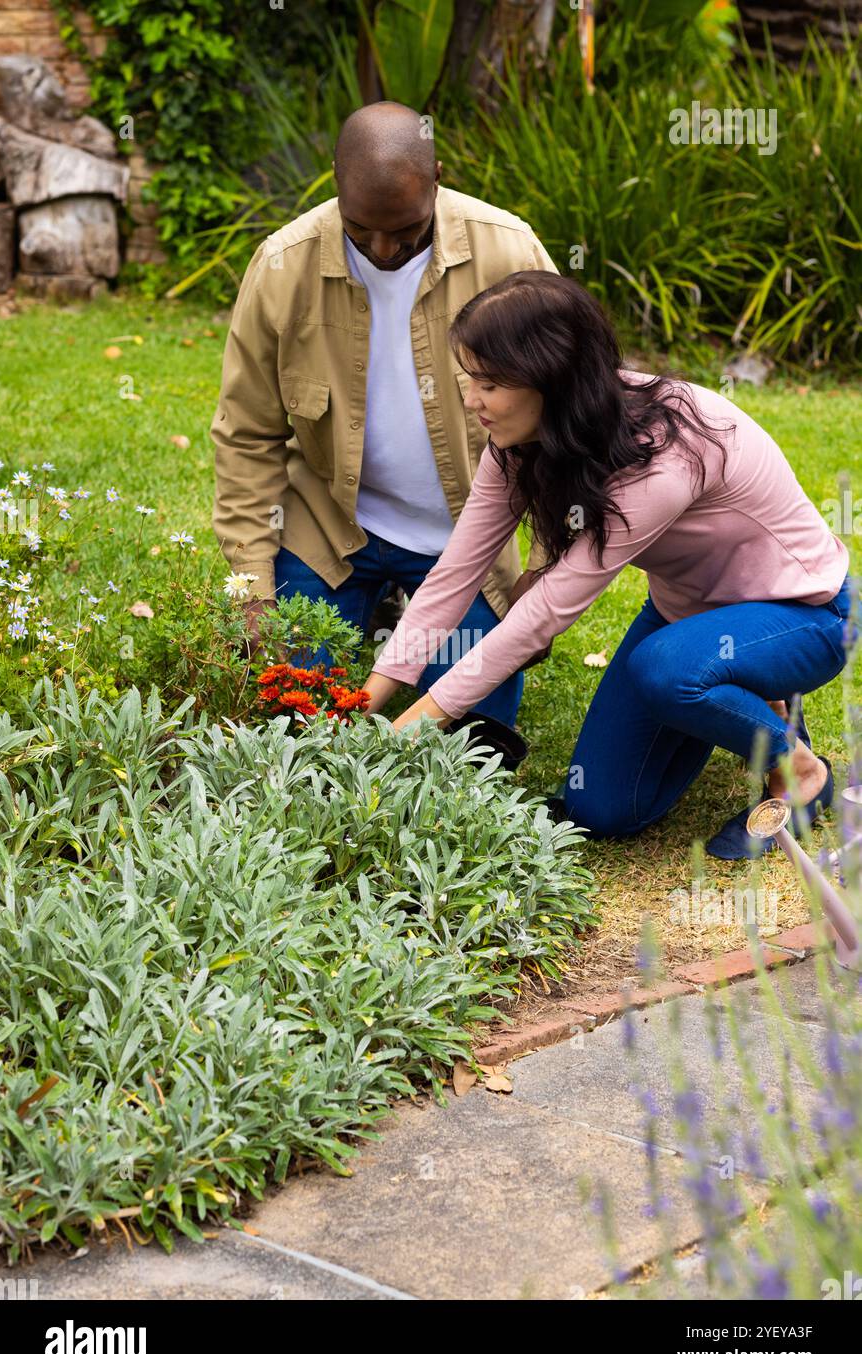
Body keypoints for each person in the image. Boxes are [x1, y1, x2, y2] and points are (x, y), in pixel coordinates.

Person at [362, 270, 857, 860]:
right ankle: (752, 693)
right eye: (470, 379)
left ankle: (798, 768)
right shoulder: (519, 443)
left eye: (489, 382)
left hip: (803, 613)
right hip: (688, 616)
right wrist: (365, 704)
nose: (471, 400)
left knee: (667, 671)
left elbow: (542, 615)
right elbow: (456, 572)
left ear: (553, 378)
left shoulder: (661, 458)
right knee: (600, 808)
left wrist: (418, 722)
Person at [210, 101, 559, 727]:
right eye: (360, 228)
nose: (382, 248)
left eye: (404, 230)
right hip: (330, 533)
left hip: (464, 544)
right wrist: (254, 587)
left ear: (437, 179)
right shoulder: (281, 265)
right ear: (336, 184)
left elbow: (569, 418)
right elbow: (246, 435)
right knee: (298, 717)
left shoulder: (508, 253)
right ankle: (375, 609)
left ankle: (404, 614)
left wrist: (545, 570)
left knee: (470, 742)